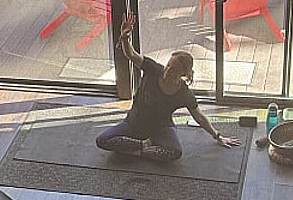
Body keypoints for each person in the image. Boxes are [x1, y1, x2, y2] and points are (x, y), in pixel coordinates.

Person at [96, 12, 240, 161]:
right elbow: (131, 55)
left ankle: (134, 149)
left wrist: (218, 137)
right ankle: (144, 146)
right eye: (168, 65)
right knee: (102, 140)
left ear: (183, 73)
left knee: (175, 152)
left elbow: (199, 117)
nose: (168, 70)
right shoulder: (153, 69)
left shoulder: (183, 93)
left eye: (174, 69)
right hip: (134, 123)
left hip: (161, 129)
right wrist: (125, 37)